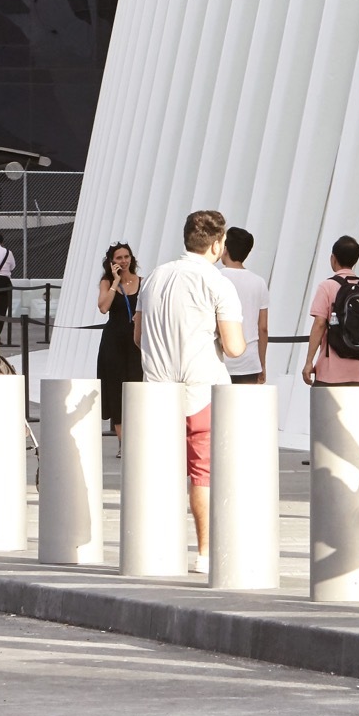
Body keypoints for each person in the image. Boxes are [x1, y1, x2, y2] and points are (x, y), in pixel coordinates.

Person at [136, 211, 243, 574]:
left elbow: (138, 338)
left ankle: (159, 548)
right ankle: (205, 552)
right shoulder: (218, 283)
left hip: (156, 392)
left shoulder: (154, 279)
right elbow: (233, 346)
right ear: (217, 244)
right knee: (203, 474)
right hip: (202, 390)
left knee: (162, 470)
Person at [303, 236, 359, 386]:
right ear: (356, 260)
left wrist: (309, 362)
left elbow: (319, 324)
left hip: (330, 374)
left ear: (333, 258)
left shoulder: (326, 287)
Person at [96, 242, 144, 433]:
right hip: (113, 341)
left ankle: (136, 436)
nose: (124, 261)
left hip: (135, 341)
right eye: (119, 258)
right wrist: (116, 281)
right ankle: (122, 442)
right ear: (111, 262)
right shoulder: (107, 282)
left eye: (126, 257)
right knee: (116, 388)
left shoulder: (143, 281)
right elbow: (103, 307)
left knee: (136, 385)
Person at [220, 227, 270, 383]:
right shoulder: (259, 282)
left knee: (217, 406)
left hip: (219, 361)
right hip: (249, 362)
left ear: (225, 249)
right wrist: (262, 363)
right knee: (244, 407)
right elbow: (263, 328)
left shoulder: (215, 278)